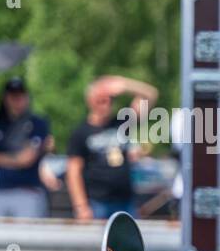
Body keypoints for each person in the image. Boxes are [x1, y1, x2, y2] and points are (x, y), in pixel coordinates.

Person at [66, 75, 158, 220]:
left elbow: (151, 95)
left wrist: (124, 85)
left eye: (110, 100)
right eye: (101, 100)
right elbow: (73, 172)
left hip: (125, 201)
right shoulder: (81, 132)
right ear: (91, 101)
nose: (106, 104)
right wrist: (81, 206)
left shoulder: (122, 123)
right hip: (96, 203)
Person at [0, 77, 54, 218]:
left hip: (28, 192)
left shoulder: (37, 122)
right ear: (6, 98)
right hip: (0, 191)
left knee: (26, 239)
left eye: (20, 95)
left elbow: (26, 158)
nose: (17, 99)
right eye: (13, 96)